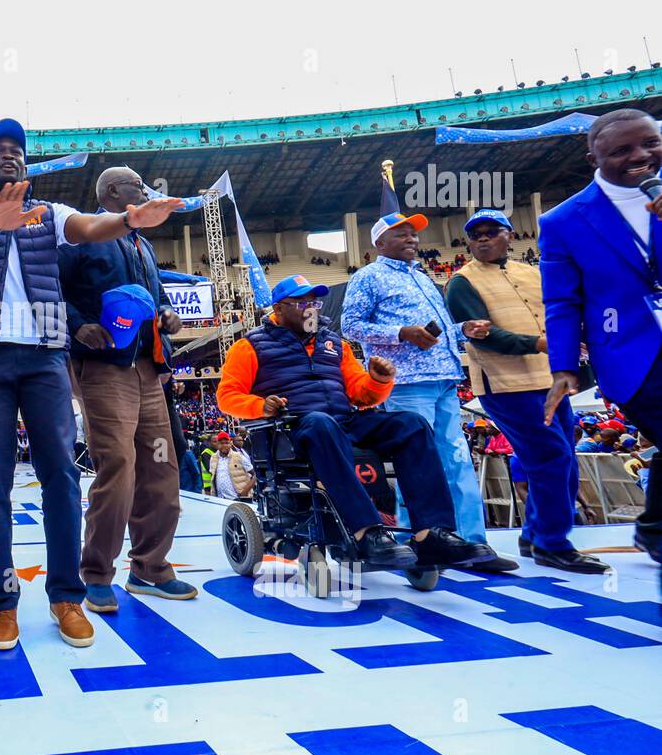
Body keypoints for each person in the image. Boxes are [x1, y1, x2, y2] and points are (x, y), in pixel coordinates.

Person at [0, 119, 181, 650]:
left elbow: (89, 231)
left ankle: (66, 597)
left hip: (45, 358)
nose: (8, 156)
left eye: (16, 151)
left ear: (27, 164)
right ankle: (2, 605)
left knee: (60, 479)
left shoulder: (51, 214)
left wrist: (127, 218)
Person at [217, 276, 499, 567]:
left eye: (314, 302)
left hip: (343, 422)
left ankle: (431, 535)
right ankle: (366, 532)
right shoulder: (249, 346)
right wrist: (261, 406)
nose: (310, 309)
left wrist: (378, 380)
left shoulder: (335, 344)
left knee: (412, 424)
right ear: (279, 308)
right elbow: (227, 397)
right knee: (320, 422)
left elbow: (361, 396)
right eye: (302, 302)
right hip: (292, 429)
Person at [342, 211, 516, 571]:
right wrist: (401, 333)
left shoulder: (422, 276)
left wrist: (462, 328)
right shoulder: (367, 277)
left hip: (444, 379)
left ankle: (471, 542)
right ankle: (419, 540)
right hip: (405, 382)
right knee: (418, 463)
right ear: (379, 243)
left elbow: (437, 332)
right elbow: (350, 325)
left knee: (457, 460)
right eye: (401, 234)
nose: (412, 239)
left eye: (414, 234)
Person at [58, 166, 198, 612]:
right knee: (118, 465)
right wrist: (79, 327)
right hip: (104, 367)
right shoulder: (83, 233)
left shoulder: (144, 245)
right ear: (113, 191)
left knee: (161, 468)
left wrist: (168, 315)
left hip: (149, 366)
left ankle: (150, 568)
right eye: (139, 186)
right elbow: (51, 289)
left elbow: (155, 298)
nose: (146, 191)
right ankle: (97, 572)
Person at [445, 209, 607, 573]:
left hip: (551, 379)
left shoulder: (532, 272)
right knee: (551, 456)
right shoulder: (461, 282)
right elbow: (483, 338)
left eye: (491, 232)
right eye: (475, 235)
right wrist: (542, 343)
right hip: (505, 384)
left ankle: (536, 535)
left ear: (510, 236)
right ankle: (552, 543)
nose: (482, 239)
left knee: (564, 458)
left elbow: (561, 313)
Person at [541, 109, 662, 565]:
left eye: (650, 143)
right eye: (622, 150)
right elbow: (562, 302)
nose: (642, 157)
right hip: (630, 352)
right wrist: (564, 367)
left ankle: (652, 527)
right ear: (591, 155)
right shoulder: (563, 221)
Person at [208, 431, 255, 500]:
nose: (224, 445)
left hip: (238, 498)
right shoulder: (213, 458)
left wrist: (245, 492)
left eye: (226, 443)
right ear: (217, 444)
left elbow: (255, 475)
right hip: (220, 499)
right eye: (221, 443)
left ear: (230, 443)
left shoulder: (239, 456)